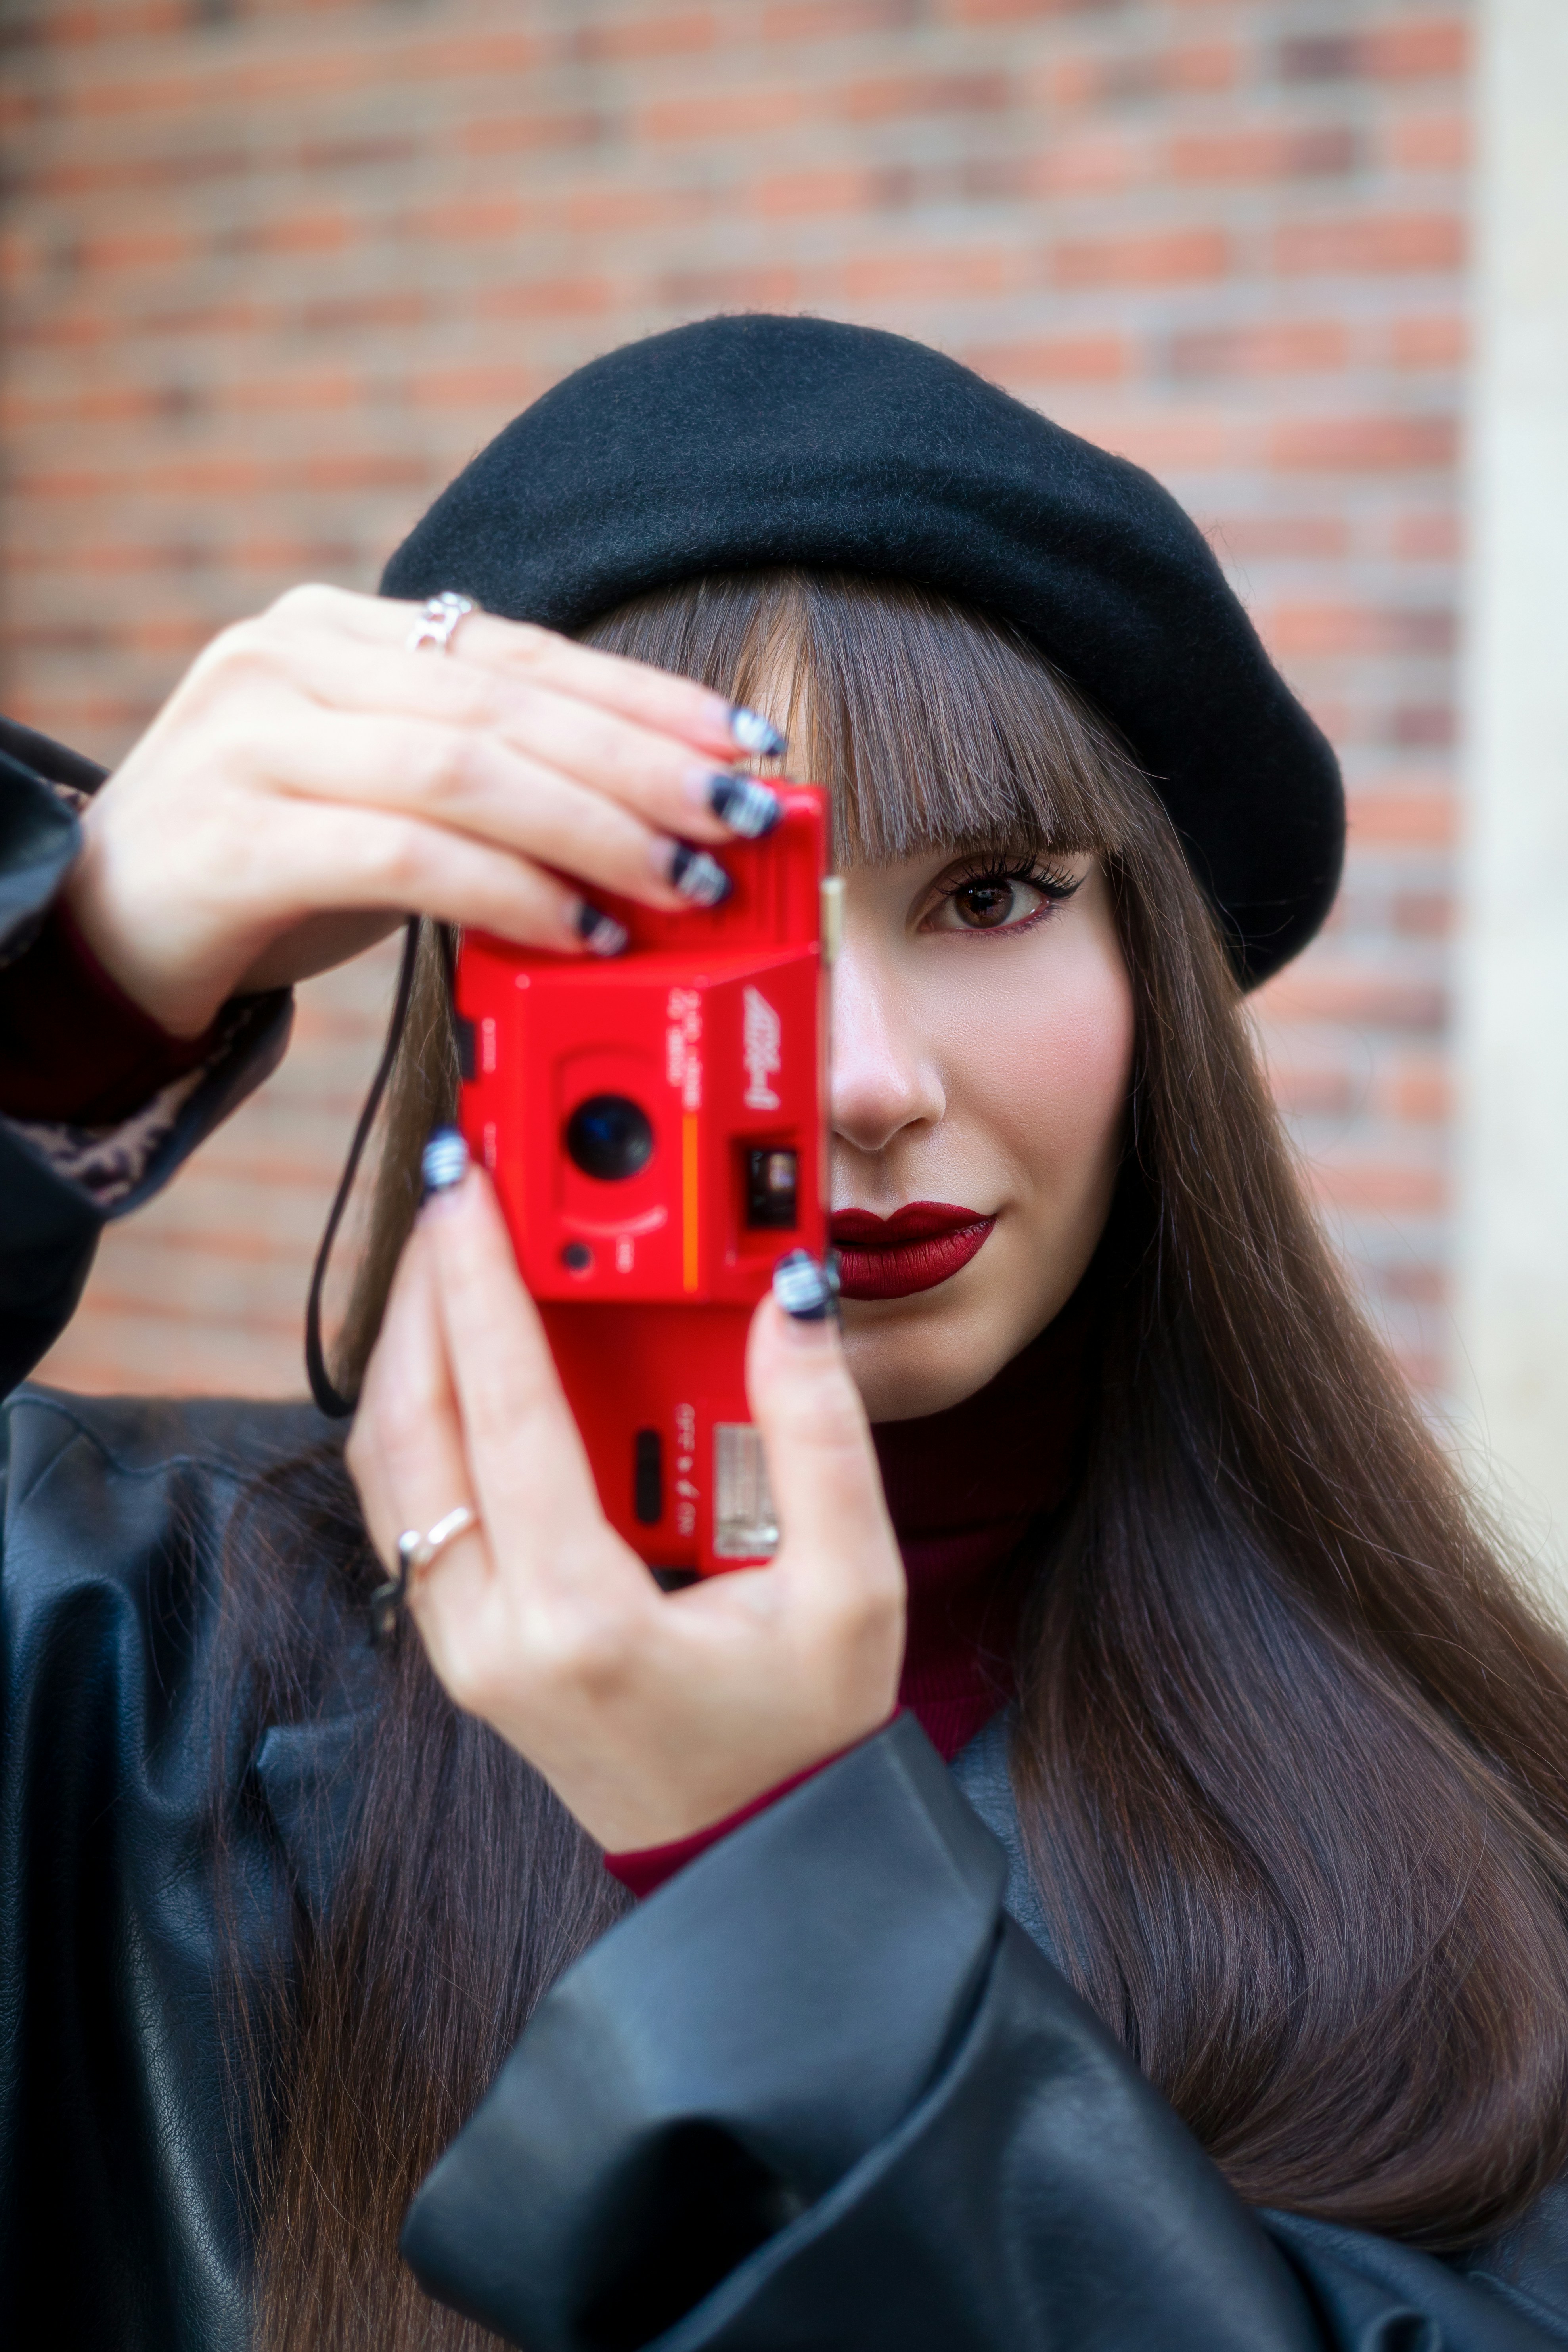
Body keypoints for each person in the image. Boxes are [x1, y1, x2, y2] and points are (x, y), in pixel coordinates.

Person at [4, 314, 1568, 2352]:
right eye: (677, 931)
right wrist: (61, 992)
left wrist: (776, 1875)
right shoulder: (107, 1650)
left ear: (1154, 971)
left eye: (991, 893)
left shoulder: (1497, 1816)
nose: (861, 1081)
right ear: (479, 1013)